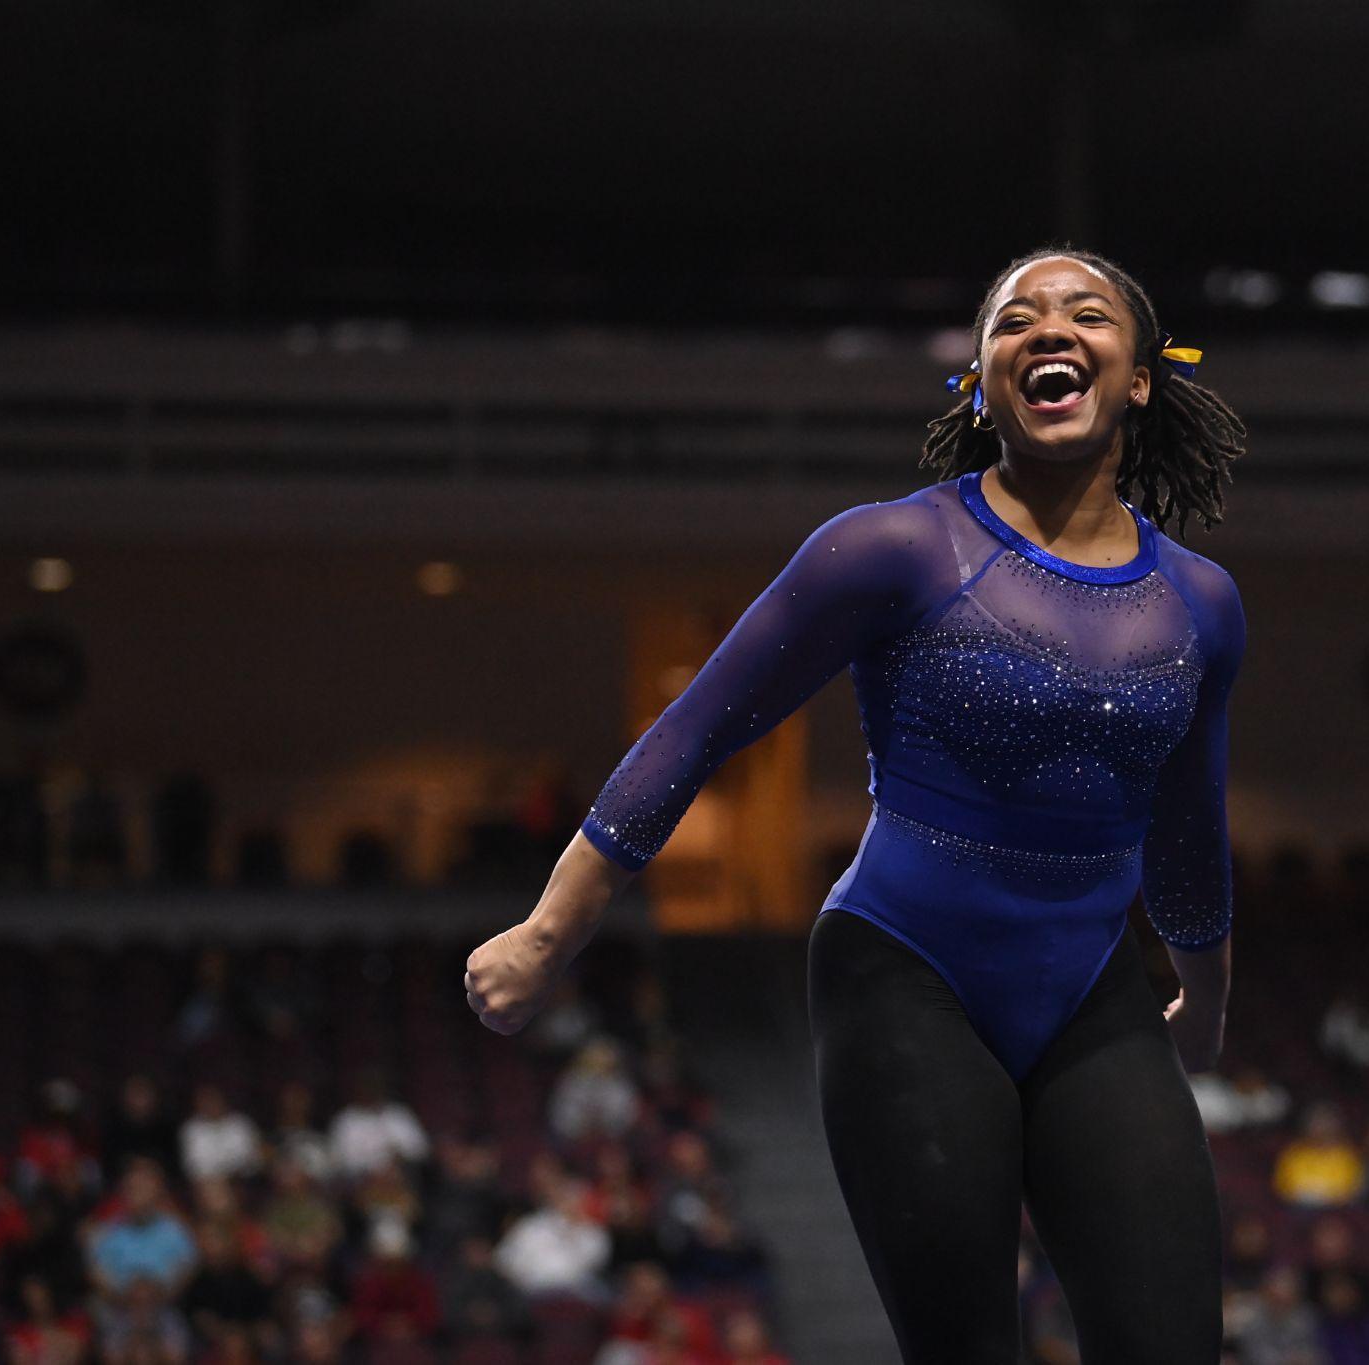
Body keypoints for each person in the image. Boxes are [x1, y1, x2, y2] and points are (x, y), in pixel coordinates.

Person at [465, 244, 1249, 1364]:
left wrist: (1207, 1004)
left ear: (1137, 376)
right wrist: (551, 930)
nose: (1048, 331)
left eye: (1084, 313)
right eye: (1013, 321)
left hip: (1092, 993)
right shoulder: (893, 547)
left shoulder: (1201, 604)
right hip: (906, 975)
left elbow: (1187, 825)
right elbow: (700, 728)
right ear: (980, 383)